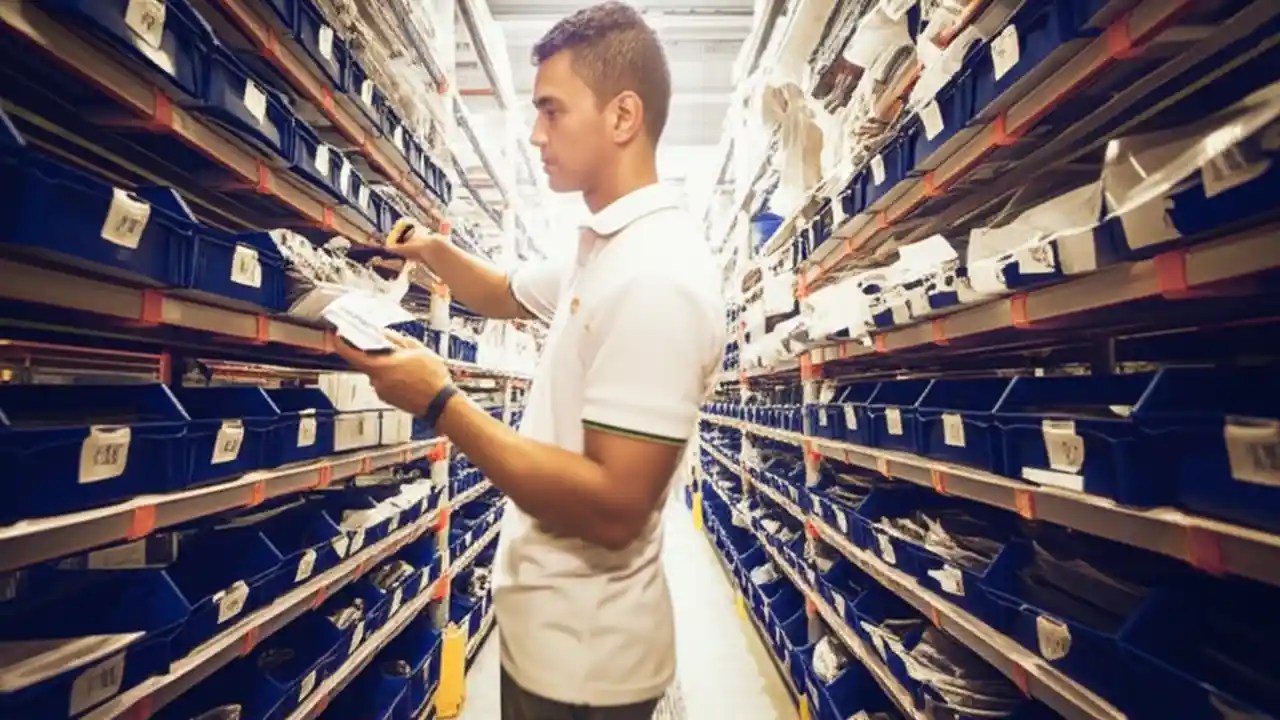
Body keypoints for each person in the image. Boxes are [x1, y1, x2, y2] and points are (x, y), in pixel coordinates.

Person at [334, 2, 725, 718]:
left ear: (622, 116)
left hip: (587, 670)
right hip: (552, 641)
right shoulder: (604, 248)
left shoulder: (656, 276)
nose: (535, 133)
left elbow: (613, 508)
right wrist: (431, 250)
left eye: (552, 110)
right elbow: (502, 291)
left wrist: (442, 402)